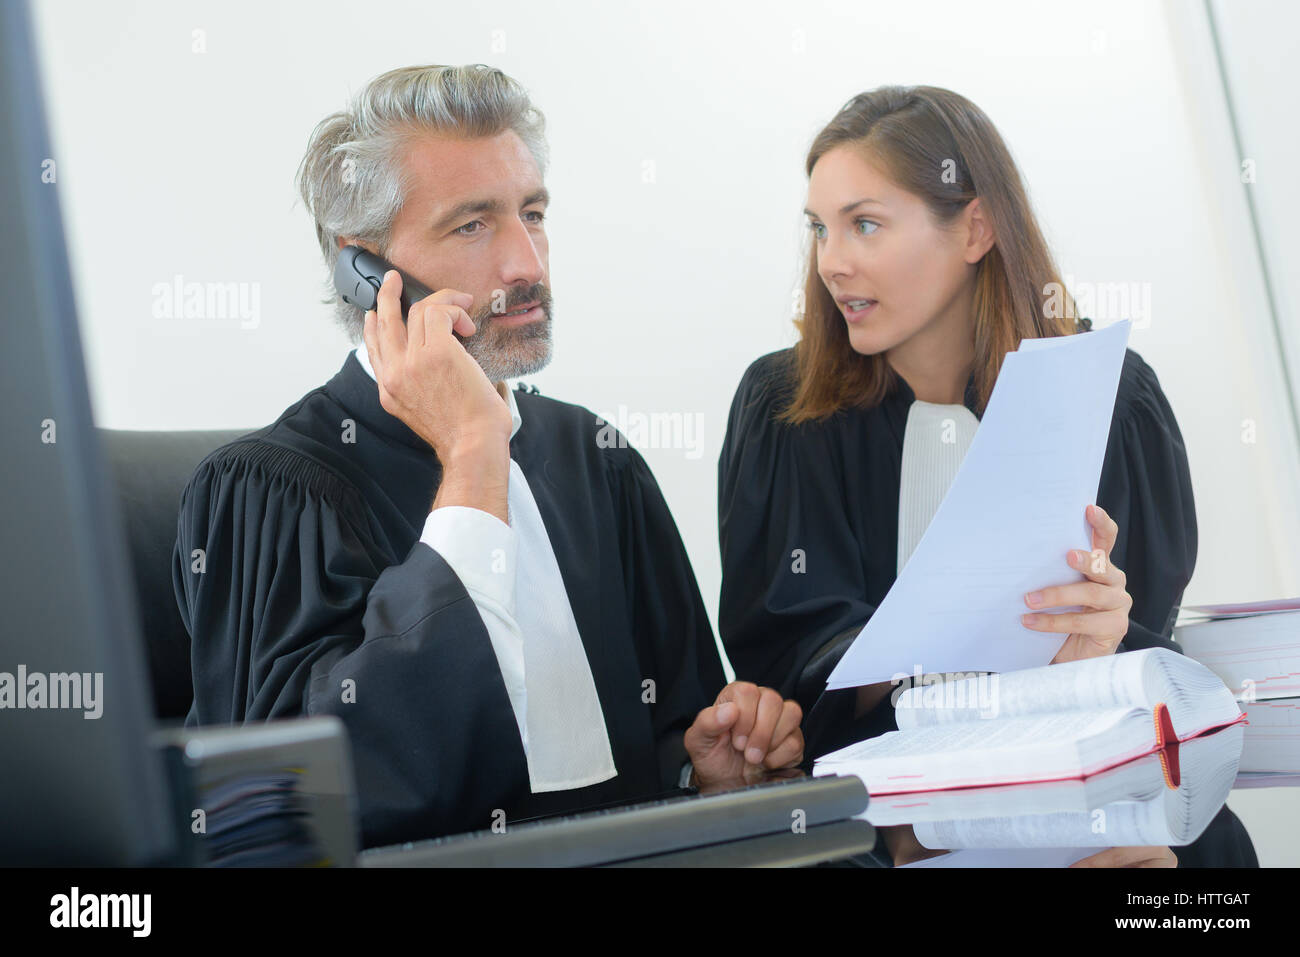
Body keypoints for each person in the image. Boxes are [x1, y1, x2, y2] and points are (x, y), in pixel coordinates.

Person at [173, 64, 803, 849]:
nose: (526, 264)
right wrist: (473, 460)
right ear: (365, 271)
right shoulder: (271, 490)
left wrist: (703, 774)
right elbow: (286, 817)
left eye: (531, 214)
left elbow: (673, 728)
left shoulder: (596, 459)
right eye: (472, 225)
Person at [717, 85, 1255, 867]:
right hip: (878, 810)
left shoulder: (1113, 397)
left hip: (1081, 775)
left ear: (974, 227)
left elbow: (1149, 670)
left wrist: (1098, 636)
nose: (832, 262)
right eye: (819, 229)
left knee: (1186, 858)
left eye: (864, 223)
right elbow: (787, 664)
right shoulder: (784, 409)